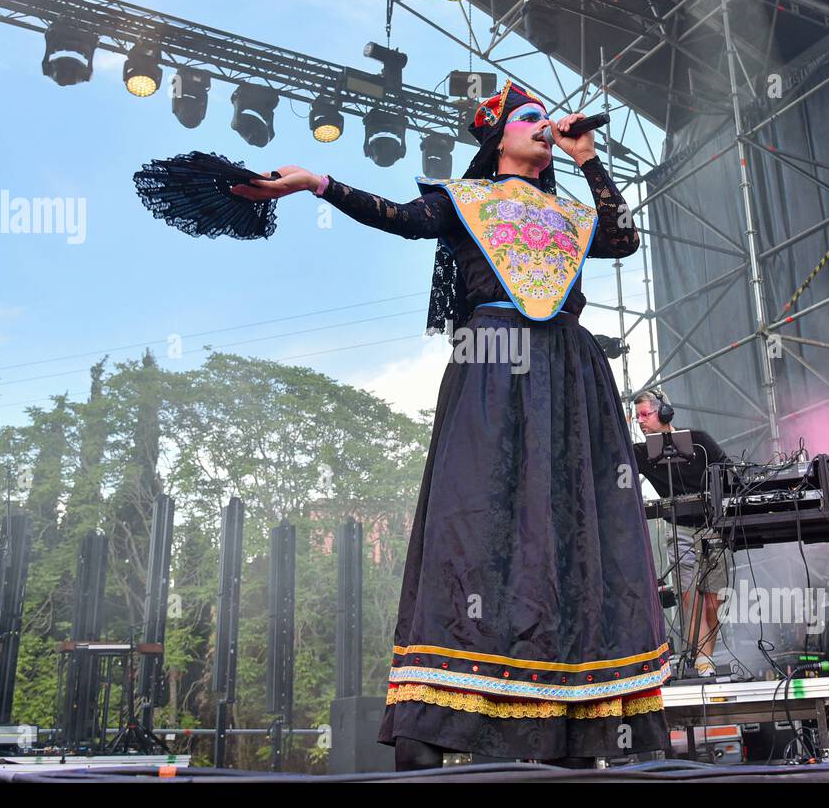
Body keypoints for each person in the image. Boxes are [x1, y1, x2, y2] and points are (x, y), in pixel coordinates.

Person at [232, 79, 672, 770]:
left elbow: (622, 237)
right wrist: (317, 182)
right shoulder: (462, 199)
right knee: (474, 526)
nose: (543, 125)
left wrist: (587, 158)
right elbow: (400, 217)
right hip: (492, 367)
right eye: (530, 118)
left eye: (545, 119)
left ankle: (575, 718)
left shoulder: (567, 211)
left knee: (569, 531)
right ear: (497, 137)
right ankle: (442, 717)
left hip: (570, 374)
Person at [632, 388, 728, 677]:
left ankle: (704, 656)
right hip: (679, 531)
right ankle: (703, 662)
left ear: (664, 412)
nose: (640, 421)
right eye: (637, 416)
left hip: (712, 530)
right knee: (690, 598)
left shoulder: (698, 442)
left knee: (714, 601)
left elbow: (729, 471)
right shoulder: (641, 453)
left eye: (645, 414)